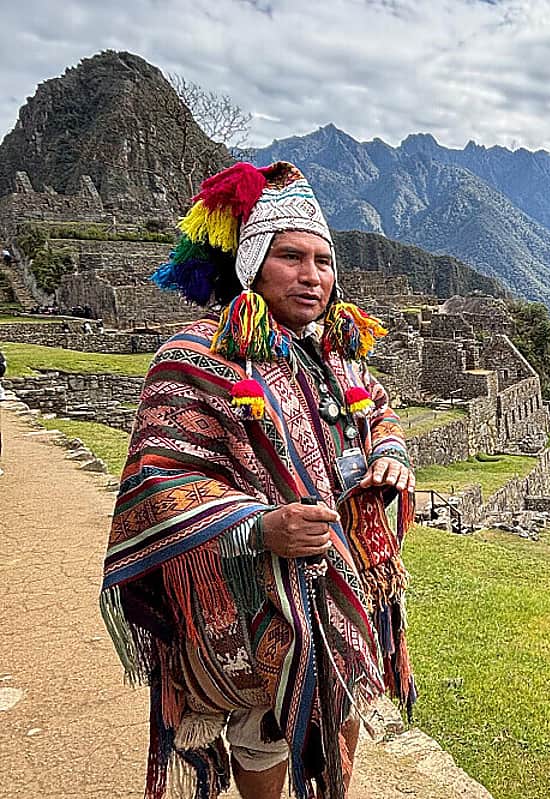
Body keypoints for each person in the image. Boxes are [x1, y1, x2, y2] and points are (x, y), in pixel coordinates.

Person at [100, 162, 416, 799]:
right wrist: (258, 525)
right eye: (291, 257)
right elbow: (162, 475)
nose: (313, 276)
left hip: (342, 575)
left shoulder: (335, 351)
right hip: (251, 597)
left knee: (346, 701)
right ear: (252, 266)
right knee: (263, 730)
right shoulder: (195, 358)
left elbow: (376, 406)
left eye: (324, 261)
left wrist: (389, 451)